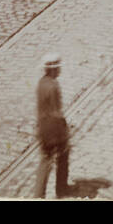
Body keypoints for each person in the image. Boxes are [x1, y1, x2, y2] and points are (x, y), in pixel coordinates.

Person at [34, 54, 71, 199]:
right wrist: (65, 128)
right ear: (53, 70)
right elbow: (56, 112)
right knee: (63, 156)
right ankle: (61, 189)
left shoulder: (41, 83)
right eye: (58, 68)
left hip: (42, 127)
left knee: (45, 160)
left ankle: (38, 194)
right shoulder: (54, 86)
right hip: (55, 129)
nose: (59, 70)